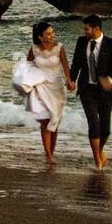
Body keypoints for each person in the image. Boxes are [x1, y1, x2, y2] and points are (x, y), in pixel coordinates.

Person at [69, 14, 112, 170]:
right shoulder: (81, 42)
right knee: (93, 124)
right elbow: (76, 64)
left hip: (105, 91)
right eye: (84, 28)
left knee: (105, 129)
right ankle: (97, 161)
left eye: (87, 29)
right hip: (86, 89)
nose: (84, 31)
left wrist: (111, 80)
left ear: (96, 28)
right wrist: (72, 79)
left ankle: (99, 151)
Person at [24, 19, 75, 165]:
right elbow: (28, 67)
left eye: (52, 33)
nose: (52, 35)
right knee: (45, 121)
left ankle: (51, 152)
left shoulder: (59, 47)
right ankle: (48, 155)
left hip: (57, 88)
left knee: (55, 120)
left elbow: (66, 66)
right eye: (48, 34)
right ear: (40, 36)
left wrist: (70, 81)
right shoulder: (34, 49)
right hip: (40, 87)